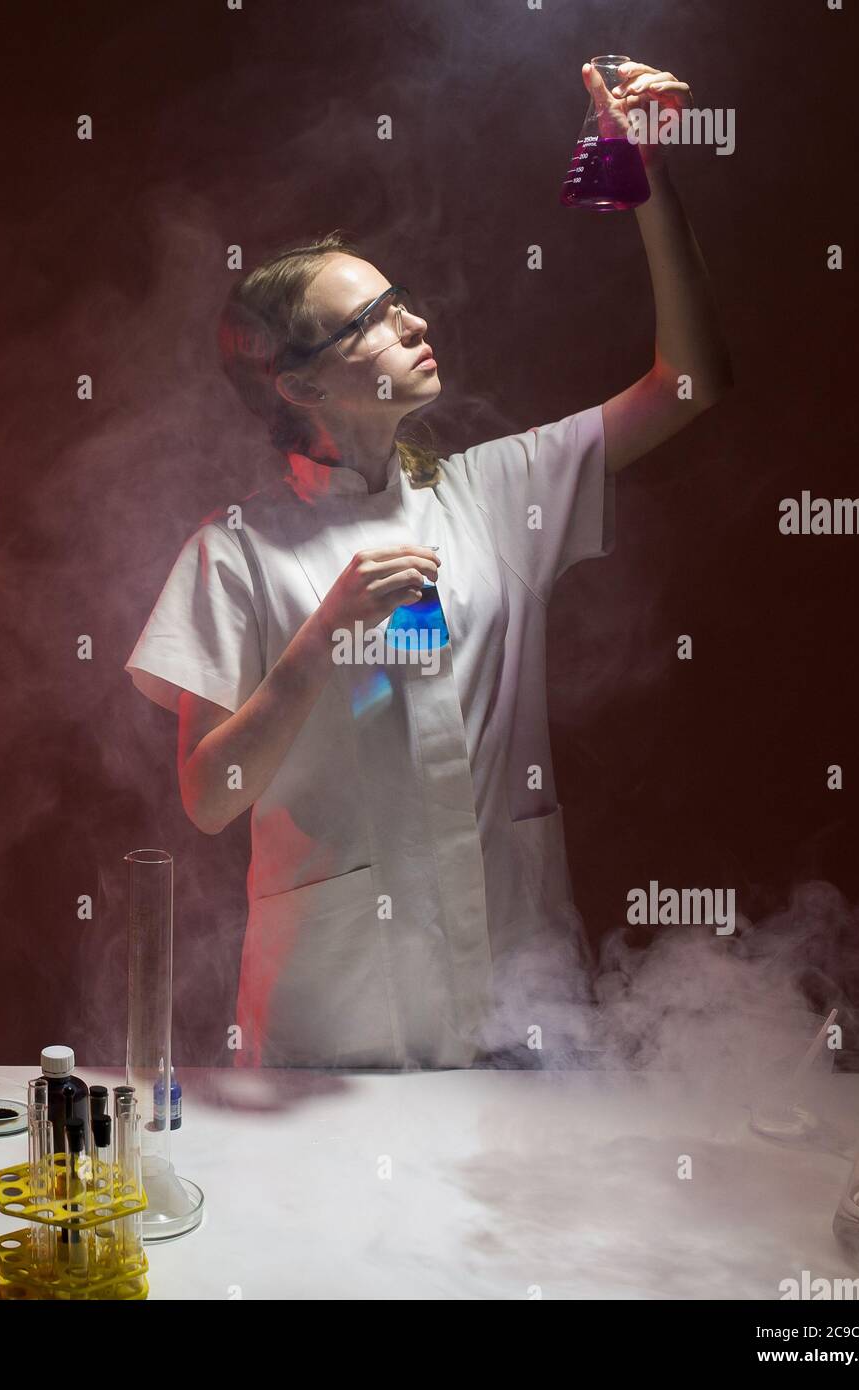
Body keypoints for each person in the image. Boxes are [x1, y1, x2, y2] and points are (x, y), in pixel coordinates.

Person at [126, 60, 732, 1070]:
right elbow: (209, 796)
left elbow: (691, 383)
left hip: (517, 993)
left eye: (400, 299)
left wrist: (646, 181)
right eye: (369, 318)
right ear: (300, 383)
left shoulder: (497, 490)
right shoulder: (233, 552)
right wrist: (316, 642)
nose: (412, 322)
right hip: (334, 1030)